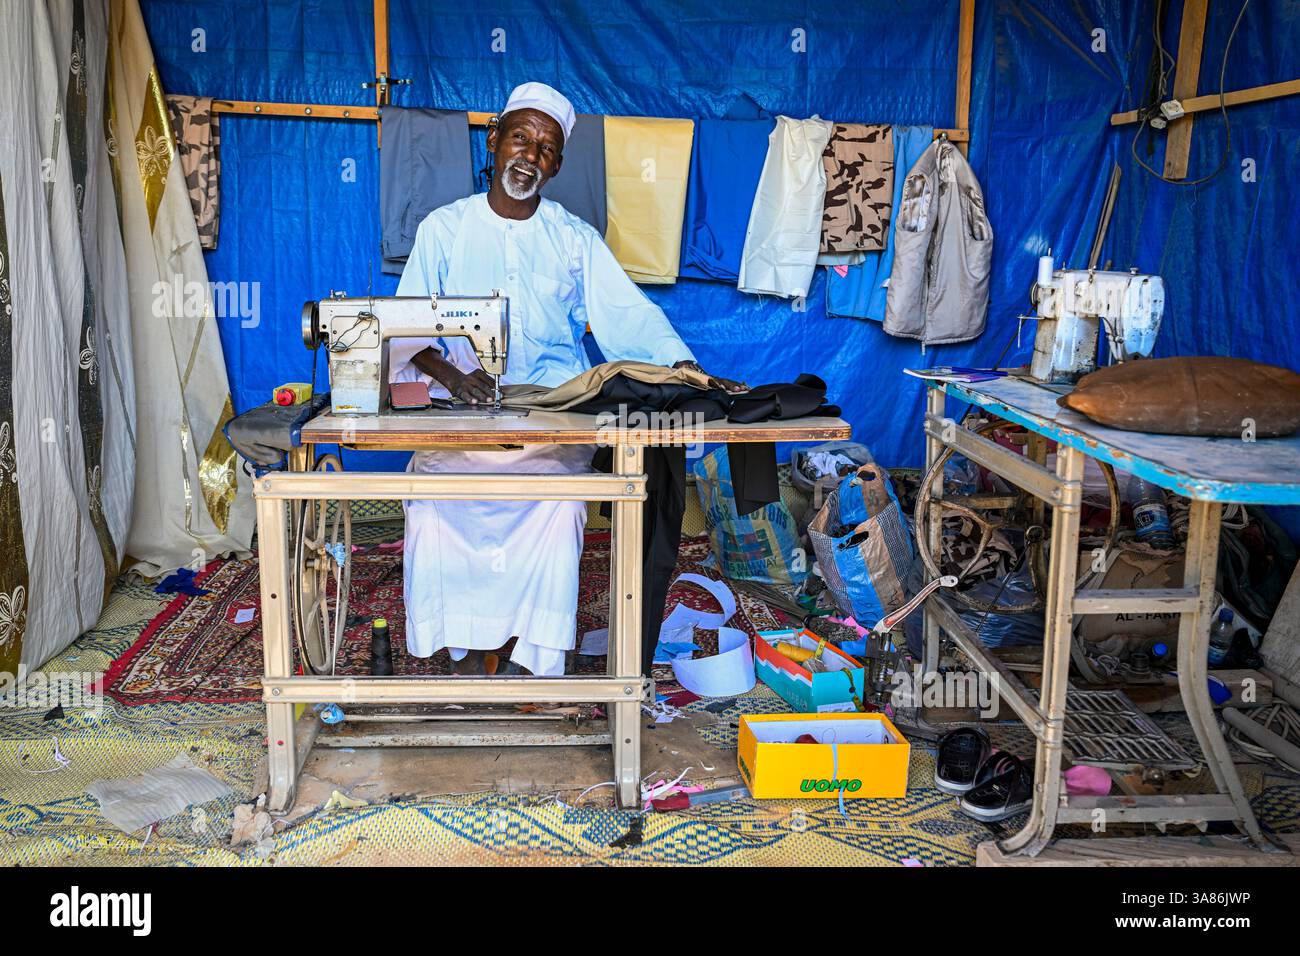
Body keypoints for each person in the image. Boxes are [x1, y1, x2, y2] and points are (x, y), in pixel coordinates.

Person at [390, 82, 738, 676]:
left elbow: (627, 314)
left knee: (559, 506)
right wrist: (453, 371)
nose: (529, 156)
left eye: (546, 149)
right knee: (431, 500)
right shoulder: (443, 230)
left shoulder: (574, 239)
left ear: (557, 165)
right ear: (494, 140)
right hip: (460, 420)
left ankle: (534, 652)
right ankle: (465, 645)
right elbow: (403, 327)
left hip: (551, 421)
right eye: (520, 138)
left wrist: (682, 366)